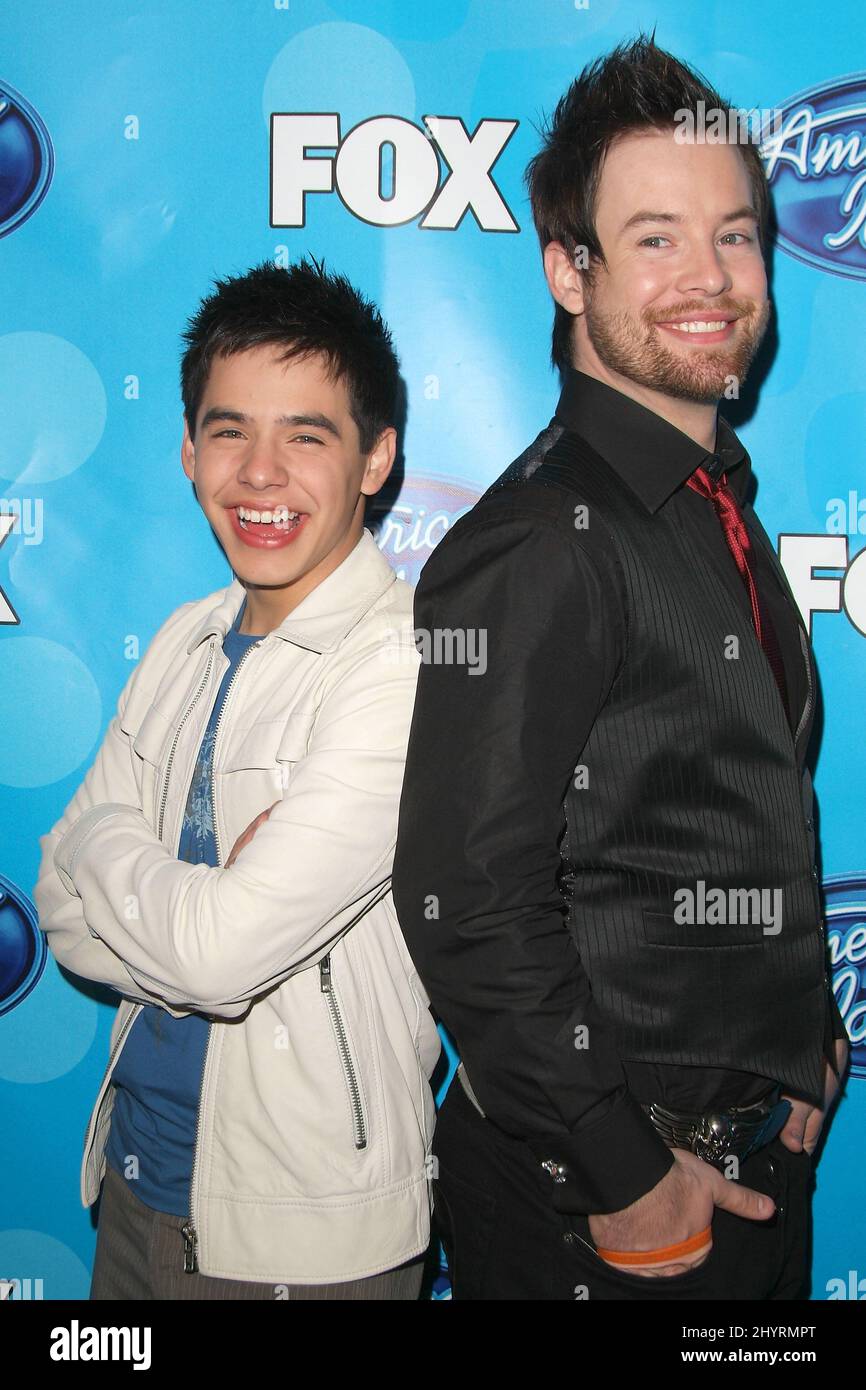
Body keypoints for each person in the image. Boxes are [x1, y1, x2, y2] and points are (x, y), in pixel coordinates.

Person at [391, 35, 849, 1301]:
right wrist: (625, 1179)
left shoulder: (715, 505)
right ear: (565, 270)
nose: (708, 277)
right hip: (605, 1223)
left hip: (749, 1177)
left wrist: (792, 1044)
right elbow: (463, 902)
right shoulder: (540, 538)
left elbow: (716, 810)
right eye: (652, 238)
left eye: (735, 234)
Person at [35, 258, 440, 1299]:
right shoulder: (184, 636)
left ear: (375, 459)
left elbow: (216, 956)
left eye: (305, 435)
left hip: (306, 1239)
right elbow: (58, 908)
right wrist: (156, 886)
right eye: (228, 430)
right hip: (130, 1185)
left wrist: (101, 846)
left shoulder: (400, 663)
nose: (260, 474)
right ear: (185, 449)